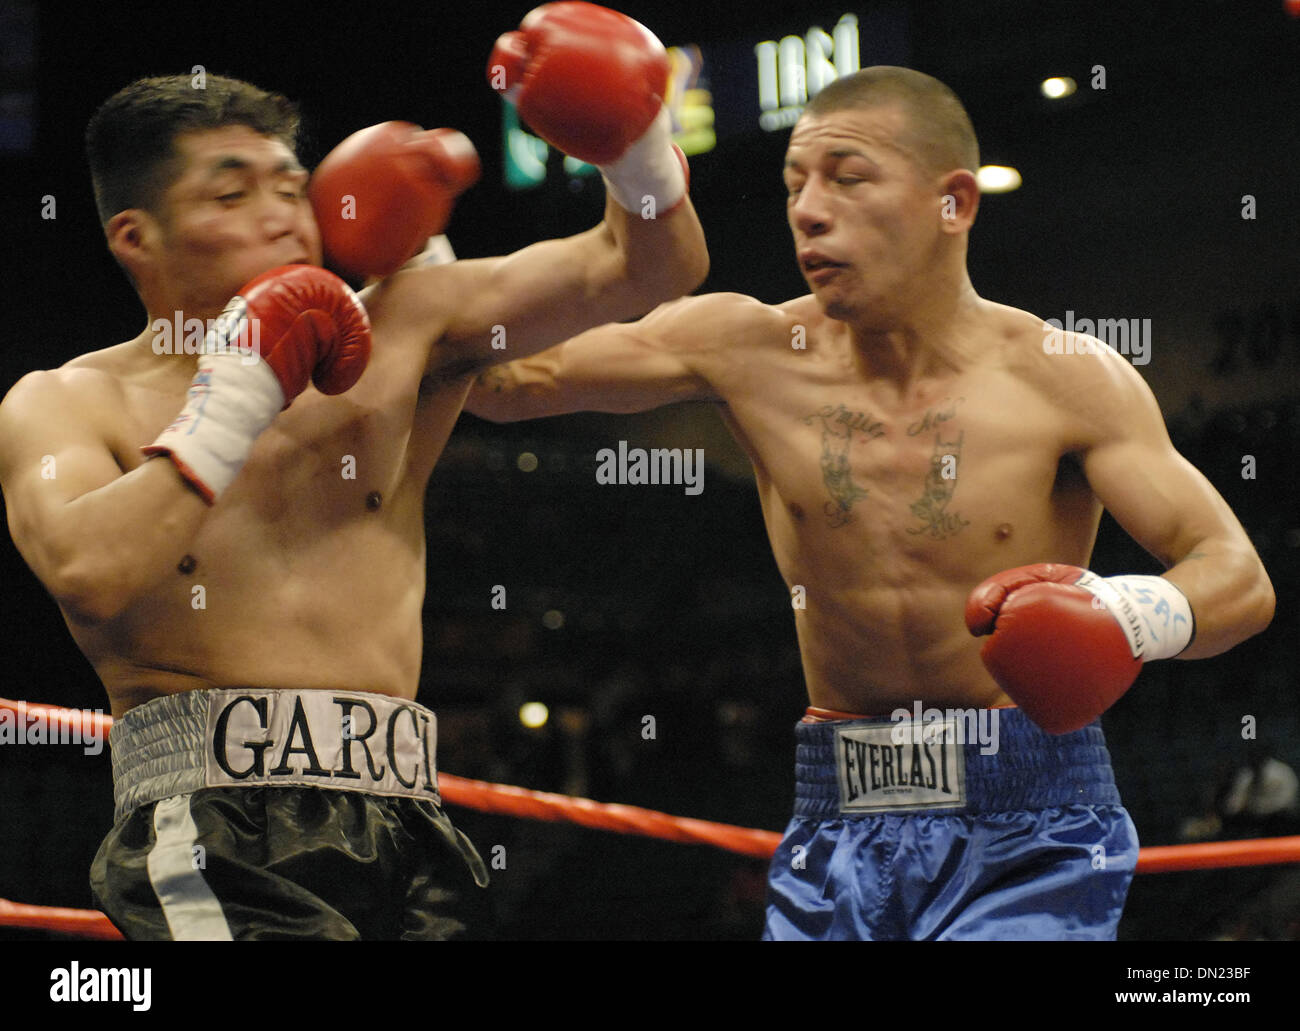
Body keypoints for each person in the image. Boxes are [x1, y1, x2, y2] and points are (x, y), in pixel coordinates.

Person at [465, 65, 1275, 940]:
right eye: (795, 184)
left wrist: (1123, 612)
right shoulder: (746, 347)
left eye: (848, 178)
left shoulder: (1067, 378)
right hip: (838, 811)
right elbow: (502, 379)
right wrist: (412, 286)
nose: (809, 209)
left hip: (1031, 820)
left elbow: (1236, 578)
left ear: (952, 202)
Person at [0, 3, 707, 940]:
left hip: (411, 821)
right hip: (209, 825)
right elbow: (90, 575)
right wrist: (243, 389)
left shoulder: (406, 323)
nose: (281, 214)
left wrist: (635, 137)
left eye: (292, 186)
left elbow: (647, 265)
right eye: (230, 193)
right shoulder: (62, 402)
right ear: (136, 236)